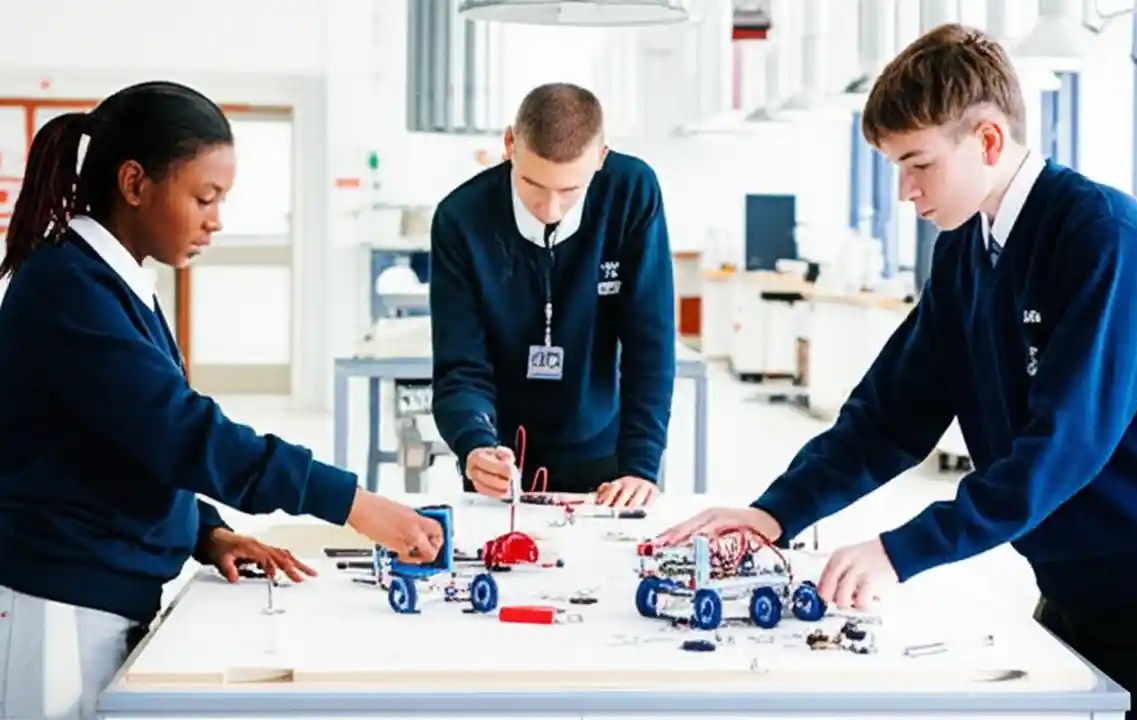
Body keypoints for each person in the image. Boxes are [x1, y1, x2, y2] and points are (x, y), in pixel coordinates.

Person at [657, 24, 1137, 720]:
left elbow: (1064, 447)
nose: (904, 191)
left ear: (988, 140)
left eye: (918, 164)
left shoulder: (1103, 237)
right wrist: (773, 513)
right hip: (1068, 573)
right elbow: (888, 416)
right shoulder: (967, 253)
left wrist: (903, 552)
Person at [0, 81, 445, 720]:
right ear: (134, 184)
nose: (216, 220)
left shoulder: (111, 283)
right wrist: (350, 502)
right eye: (204, 197)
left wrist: (204, 531)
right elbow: (183, 433)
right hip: (58, 601)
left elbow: (126, 438)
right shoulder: (67, 289)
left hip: (99, 587)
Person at [430, 82, 676, 509]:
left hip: (604, 451)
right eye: (531, 183)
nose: (549, 208)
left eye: (569, 191)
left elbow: (649, 344)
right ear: (509, 145)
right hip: (500, 457)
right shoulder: (461, 219)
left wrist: (641, 465)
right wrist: (475, 445)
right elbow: (460, 365)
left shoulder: (632, 192)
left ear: (600, 159)